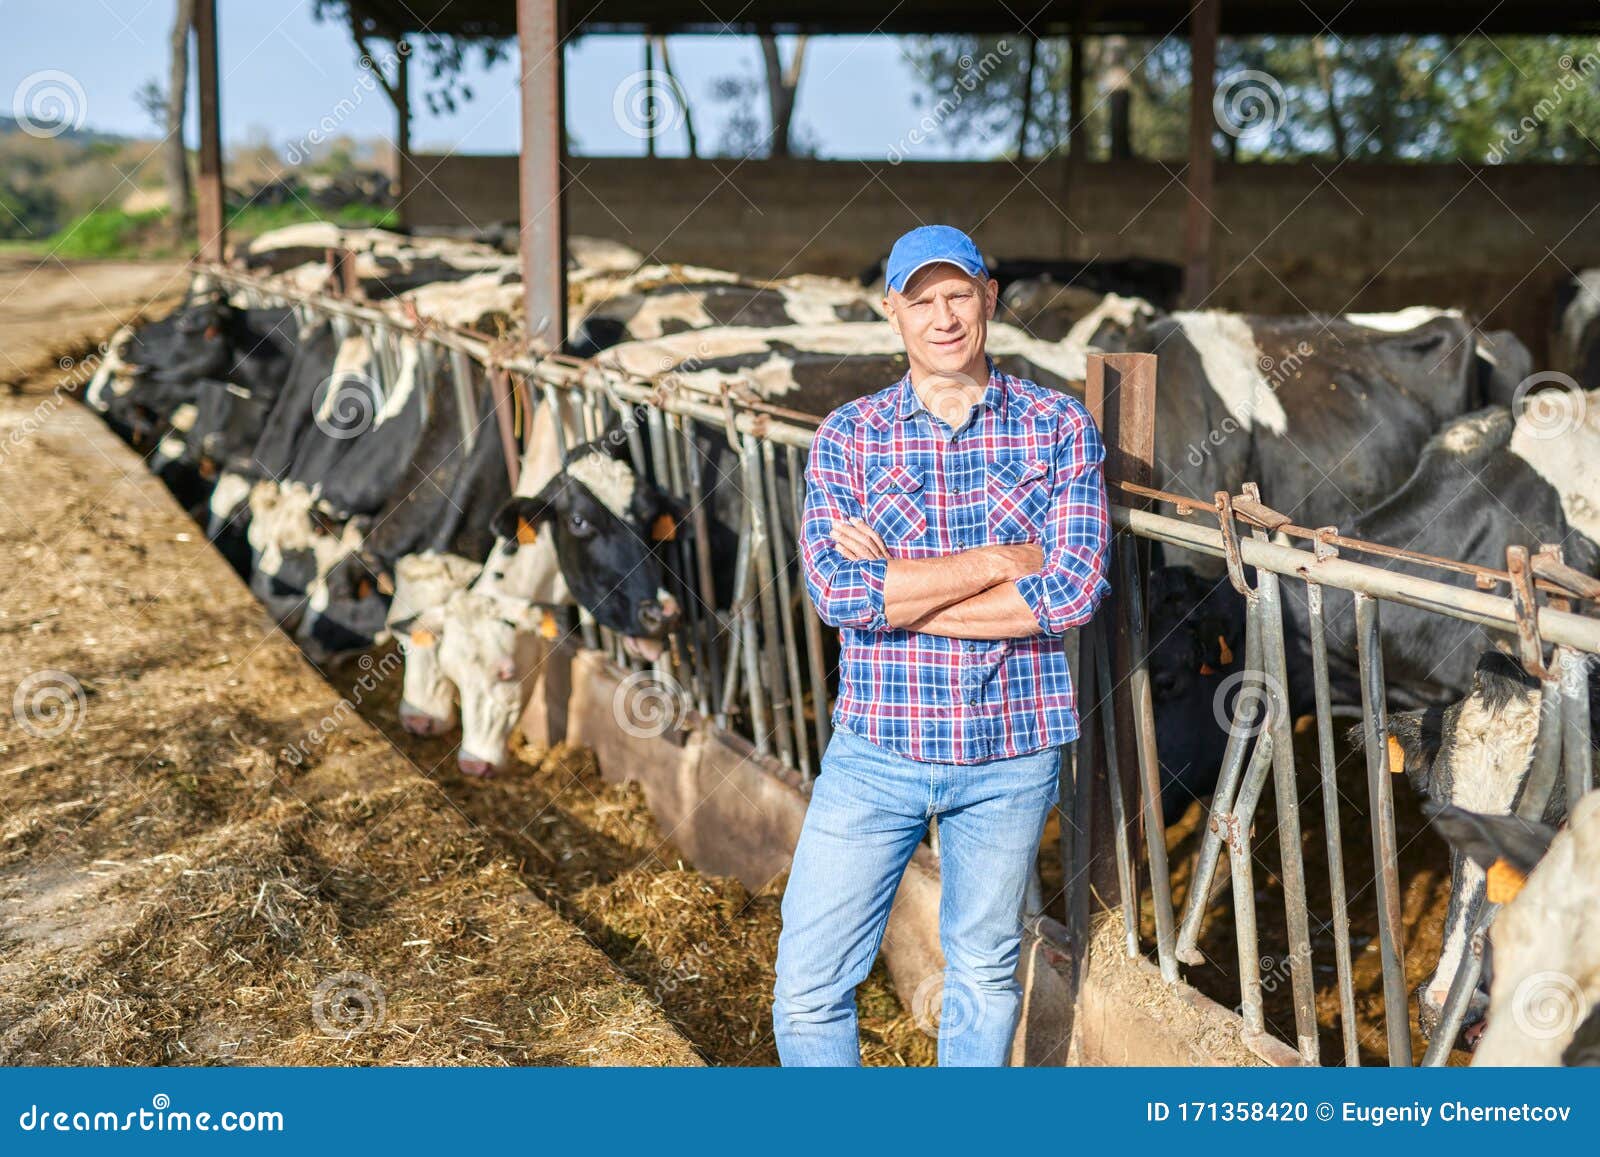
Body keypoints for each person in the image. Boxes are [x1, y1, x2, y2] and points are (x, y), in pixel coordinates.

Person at [773, 224, 1112, 1066]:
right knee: (809, 984)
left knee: (986, 971)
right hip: (877, 748)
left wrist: (896, 593)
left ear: (989, 298)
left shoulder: (1058, 426)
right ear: (892, 312)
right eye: (920, 300)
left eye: (958, 293)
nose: (944, 317)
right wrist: (999, 563)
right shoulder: (850, 435)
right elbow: (837, 594)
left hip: (1010, 749)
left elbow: (1070, 591)